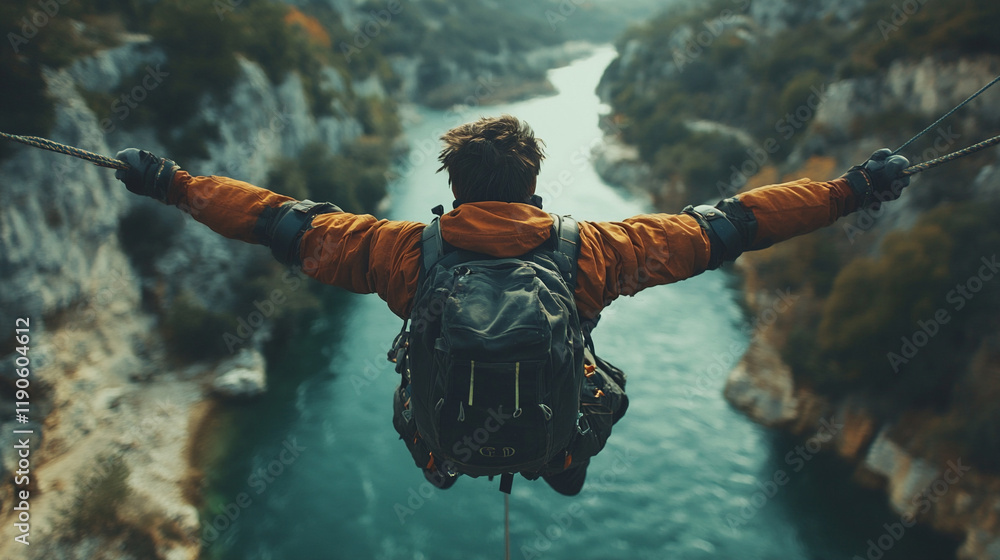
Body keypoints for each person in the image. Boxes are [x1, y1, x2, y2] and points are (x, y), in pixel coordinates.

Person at [114, 114, 910, 495]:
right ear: (532, 184)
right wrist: (850, 191)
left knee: (407, 384)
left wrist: (174, 184)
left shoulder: (399, 253)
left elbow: (275, 221)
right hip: (551, 420)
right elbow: (731, 224)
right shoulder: (595, 252)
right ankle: (562, 461)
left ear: (454, 186)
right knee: (611, 382)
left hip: (449, 426)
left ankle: (439, 458)